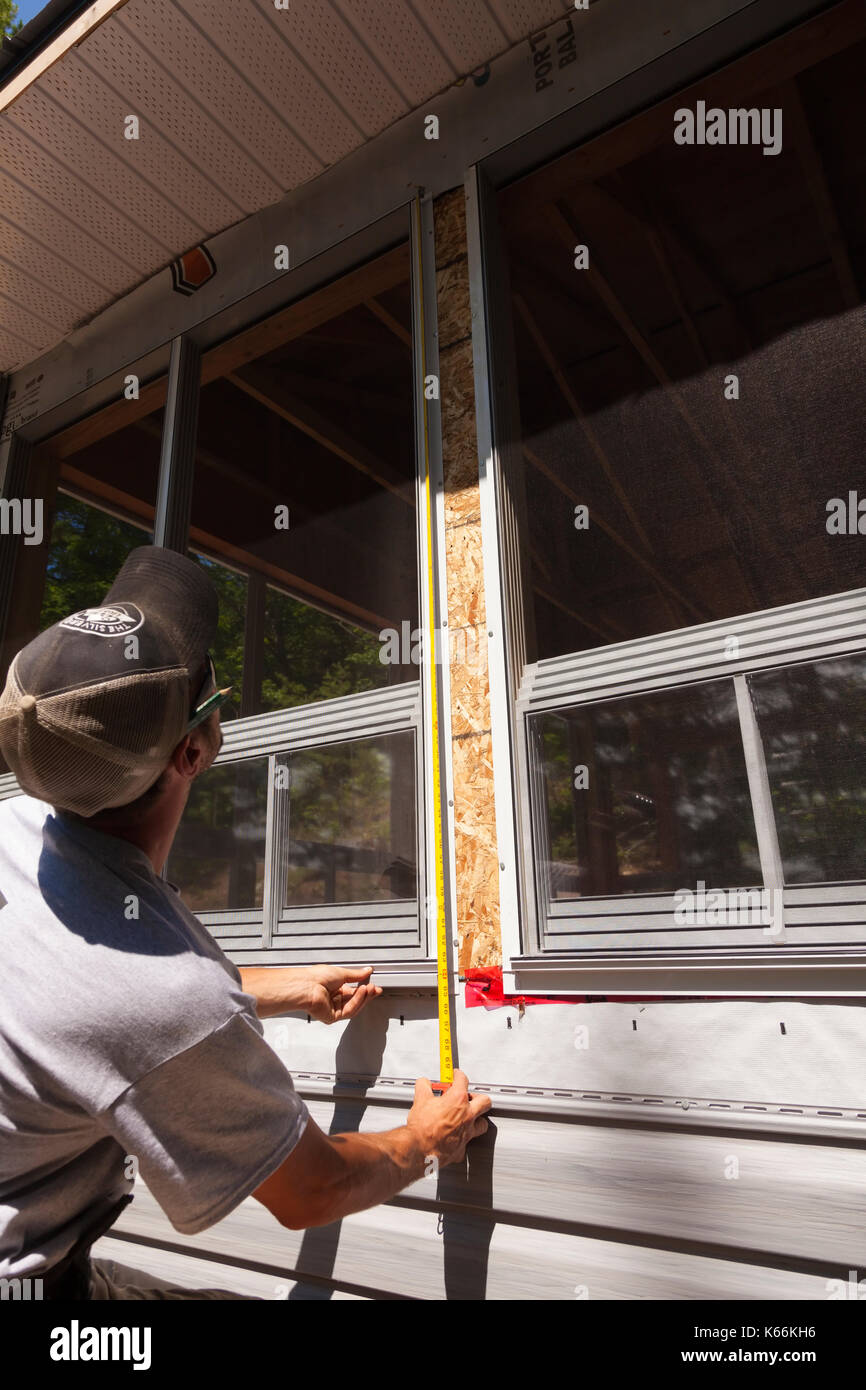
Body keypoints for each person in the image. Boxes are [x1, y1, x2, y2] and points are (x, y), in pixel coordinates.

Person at [0, 546, 489, 1300]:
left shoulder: (17, 830)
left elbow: (72, 996)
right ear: (193, 749)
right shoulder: (159, 998)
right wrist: (427, 1140)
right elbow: (312, 1191)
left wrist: (258, 989)